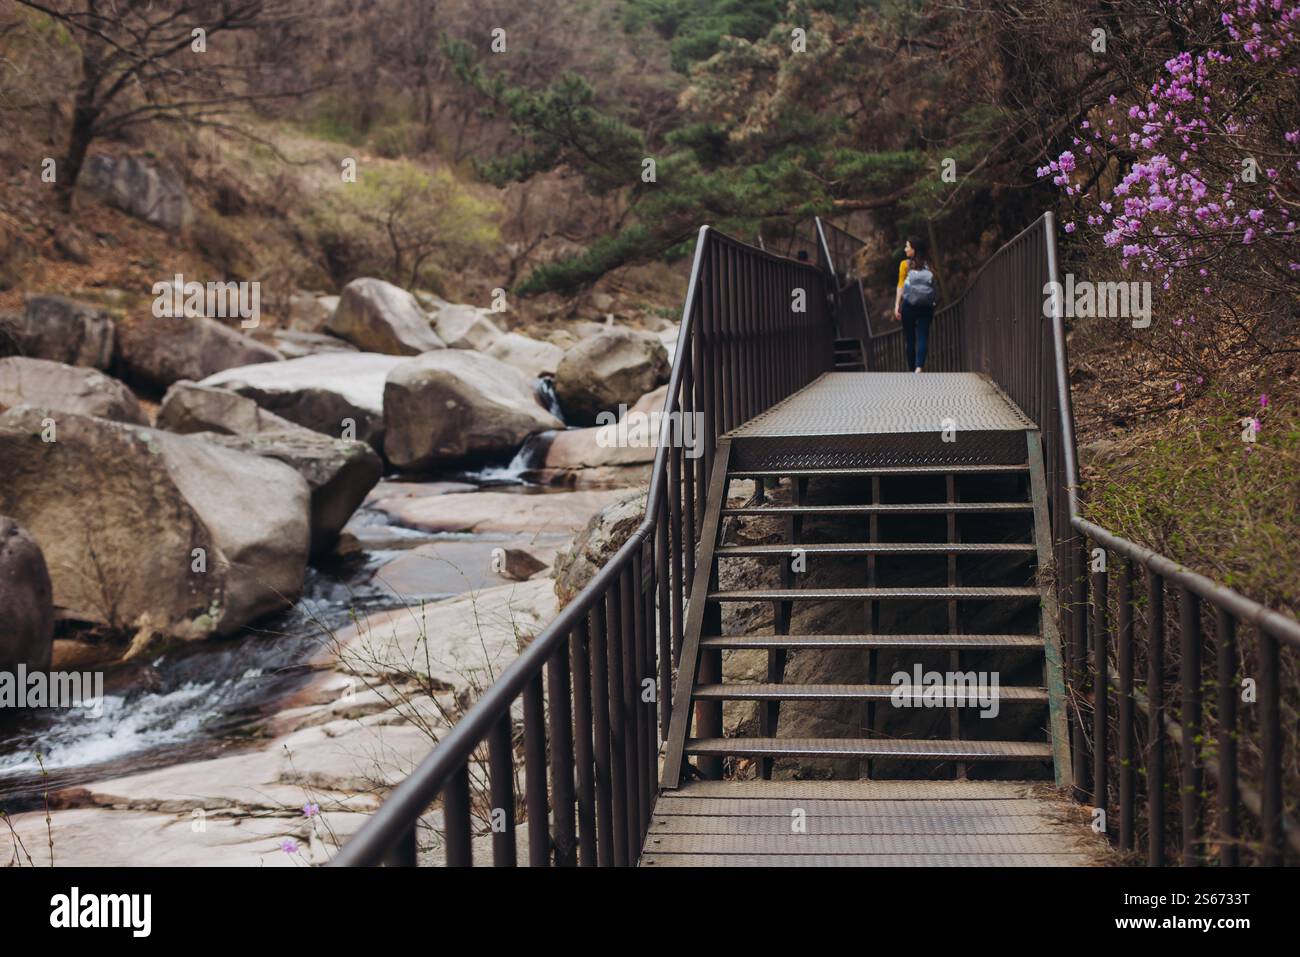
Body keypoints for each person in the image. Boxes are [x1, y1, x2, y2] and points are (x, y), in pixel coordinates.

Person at [892, 236, 938, 372]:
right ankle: (919, 366)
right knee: (923, 336)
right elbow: (934, 285)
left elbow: (901, 285)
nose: (905, 249)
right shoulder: (930, 264)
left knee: (910, 339)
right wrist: (934, 302)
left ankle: (912, 370)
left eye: (907, 246)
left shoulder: (904, 265)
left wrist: (896, 305)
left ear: (914, 249)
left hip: (909, 306)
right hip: (926, 306)